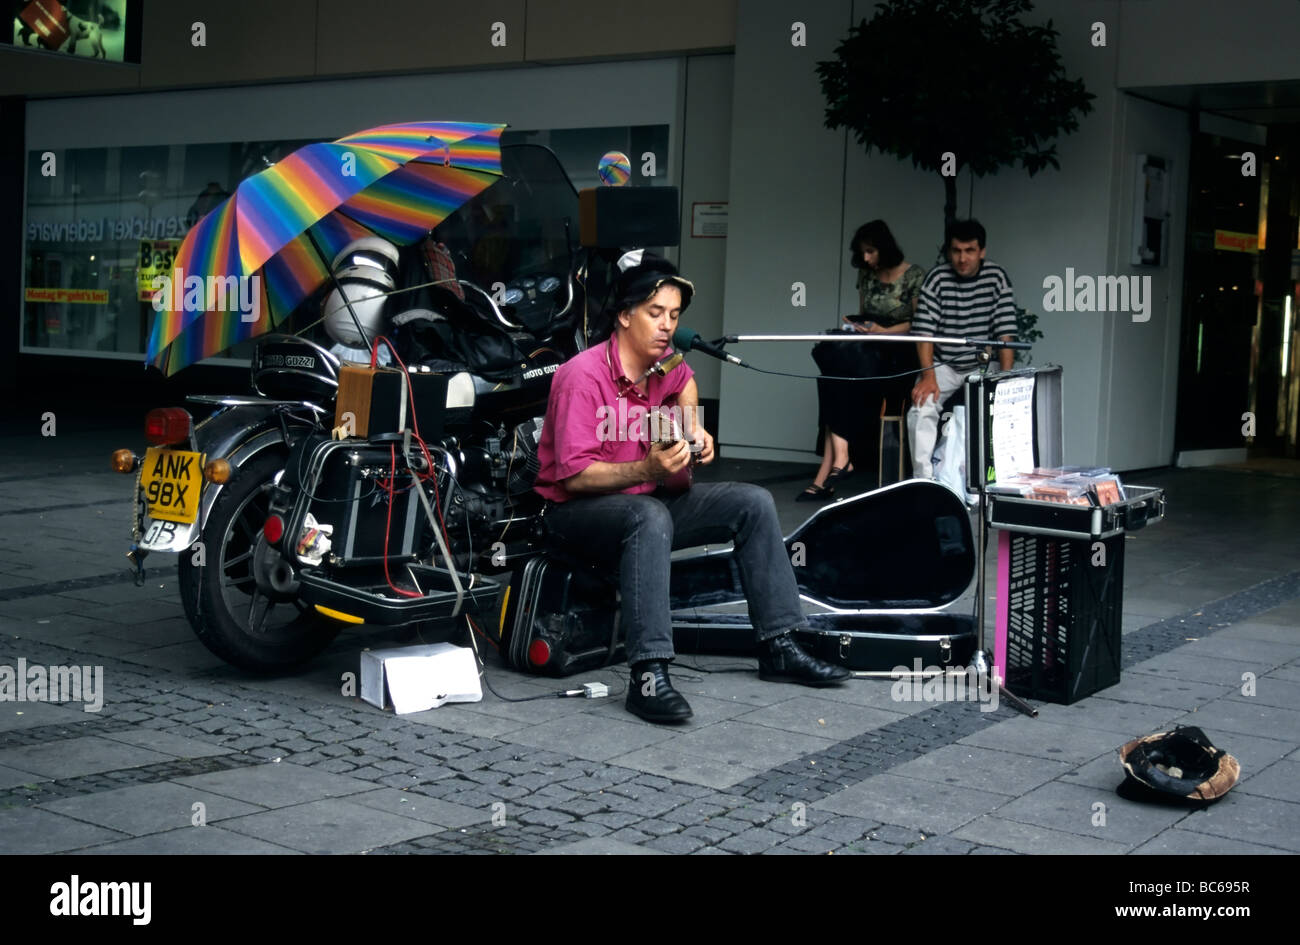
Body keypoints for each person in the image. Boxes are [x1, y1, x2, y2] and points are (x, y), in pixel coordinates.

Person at [533, 253, 851, 724]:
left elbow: (686, 383)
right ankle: (649, 674)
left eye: (675, 316)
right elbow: (574, 476)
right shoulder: (582, 376)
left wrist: (694, 428)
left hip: (645, 503)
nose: (667, 326)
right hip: (575, 515)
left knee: (753, 502)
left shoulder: (667, 363)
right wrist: (646, 467)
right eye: (655, 313)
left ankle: (779, 645)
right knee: (649, 516)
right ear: (624, 315)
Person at [802, 221, 923, 500]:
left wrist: (883, 332)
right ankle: (840, 458)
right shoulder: (867, 275)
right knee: (833, 373)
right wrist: (857, 325)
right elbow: (863, 312)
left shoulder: (914, 275)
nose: (866, 259)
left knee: (836, 375)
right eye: (862, 252)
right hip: (868, 345)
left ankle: (831, 469)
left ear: (885, 248)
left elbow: (918, 324)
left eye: (870, 251)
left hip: (898, 349)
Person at [908, 219, 1017, 479]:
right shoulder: (937, 277)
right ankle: (923, 480)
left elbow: (1006, 332)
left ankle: (987, 481)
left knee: (1003, 409)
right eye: (956, 250)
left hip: (981, 362)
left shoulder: (996, 277)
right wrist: (929, 377)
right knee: (921, 408)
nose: (962, 258)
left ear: (982, 251)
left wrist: (1005, 377)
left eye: (969, 250)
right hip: (943, 362)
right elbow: (924, 332)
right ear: (949, 251)